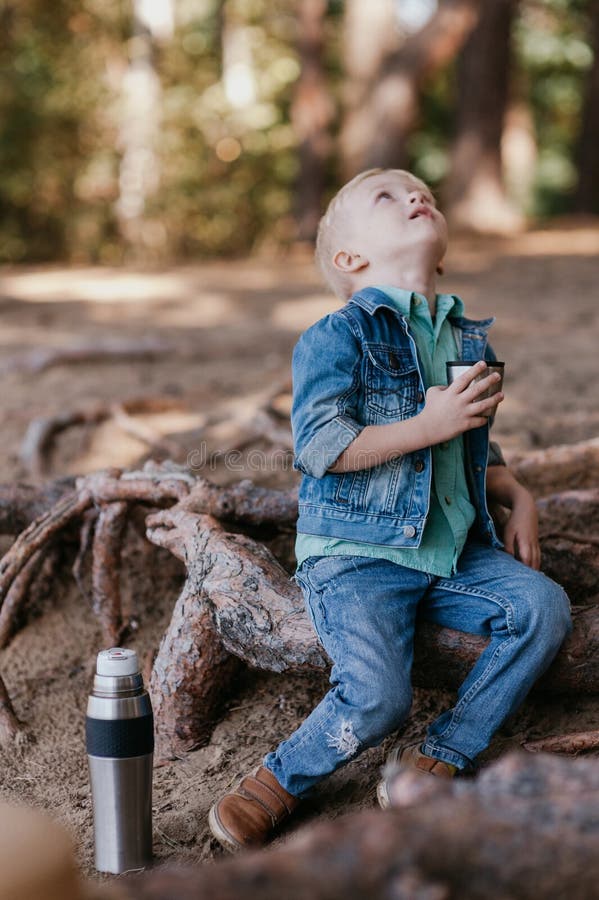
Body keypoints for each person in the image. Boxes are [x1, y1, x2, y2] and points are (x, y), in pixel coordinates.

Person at [208, 168, 571, 852]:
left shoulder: (469, 342)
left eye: (420, 189)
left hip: (456, 553)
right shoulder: (335, 337)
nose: (414, 194)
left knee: (542, 608)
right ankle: (279, 778)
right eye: (386, 195)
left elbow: (472, 449)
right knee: (377, 694)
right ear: (350, 261)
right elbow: (319, 446)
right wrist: (426, 425)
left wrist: (516, 493)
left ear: (440, 252)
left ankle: (439, 759)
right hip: (359, 555)